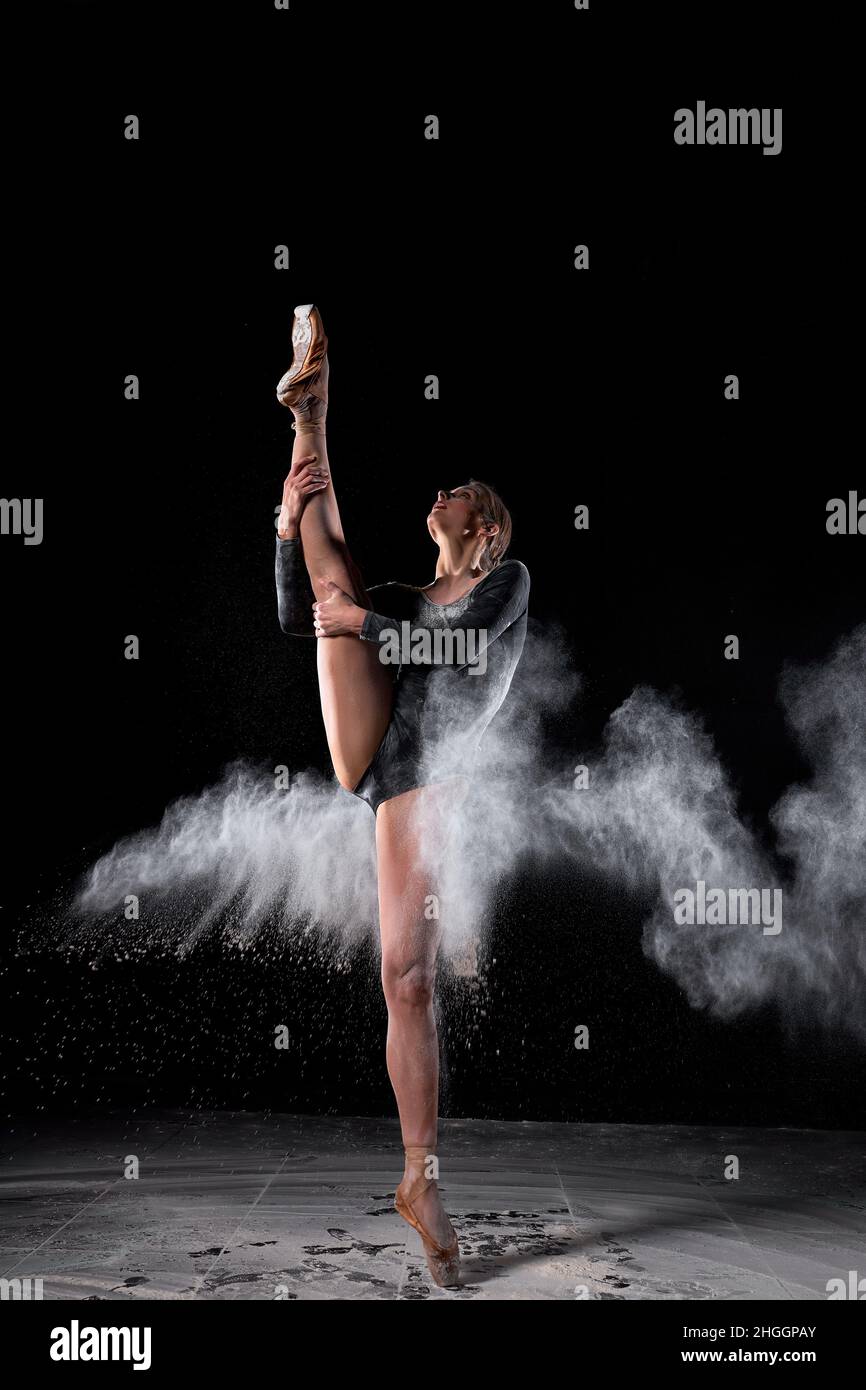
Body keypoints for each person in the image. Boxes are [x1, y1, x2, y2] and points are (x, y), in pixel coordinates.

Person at [274, 304, 530, 1287]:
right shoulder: (400, 597)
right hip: (385, 761)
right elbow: (306, 614)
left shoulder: (504, 581)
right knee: (326, 570)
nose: (451, 489)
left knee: (407, 979)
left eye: (468, 491)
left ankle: (420, 1176)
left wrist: (351, 618)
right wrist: (288, 538)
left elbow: (452, 642)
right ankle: (307, 418)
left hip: (433, 779)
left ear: (486, 527)